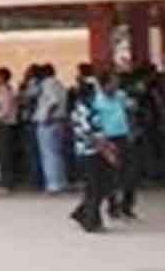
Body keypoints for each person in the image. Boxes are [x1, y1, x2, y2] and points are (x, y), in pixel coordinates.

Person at [69, 80, 113, 233]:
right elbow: (92, 133)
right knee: (96, 187)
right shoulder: (86, 110)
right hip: (91, 152)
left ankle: (84, 213)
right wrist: (107, 151)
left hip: (87, 151)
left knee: (97, 186)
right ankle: (90, 220)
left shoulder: (82, 108)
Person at [93, 71, 137, 220]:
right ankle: (113, 206)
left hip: (123, 137)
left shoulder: (121, 96)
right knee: (112, 174)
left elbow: (131, 110)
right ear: (104, 85)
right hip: (108, 139)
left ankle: (127, 205)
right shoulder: (97, 100)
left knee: (130, 173)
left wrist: (131, 128)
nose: (116, 85)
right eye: (113, 82)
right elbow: (95, 121)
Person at [34, 64, 68, 194]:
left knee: (48, 153)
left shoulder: (47, 83)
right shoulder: (59, 84)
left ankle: (53, 184)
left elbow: (53, 101)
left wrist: (47, 115)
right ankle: (61, 181)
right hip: (59, 121)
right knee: (57, 153)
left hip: (48, 121)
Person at [0, 67, 18, 193]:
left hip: (5, 125)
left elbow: (5, 111)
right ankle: (5, 181)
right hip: (1, 125)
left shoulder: (5, 91)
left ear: (2, 77)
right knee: (3, 155)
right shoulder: (0, 90)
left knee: (5, 155)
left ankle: (7, 183)